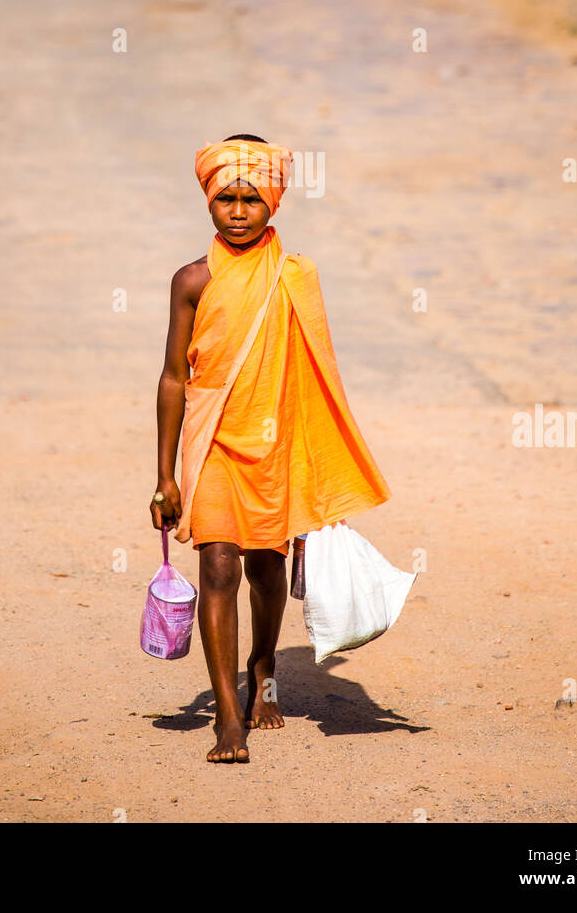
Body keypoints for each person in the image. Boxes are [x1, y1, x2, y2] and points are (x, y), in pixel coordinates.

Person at [150, 135, 390, 763]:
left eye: (250, 198)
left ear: (273, 201)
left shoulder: (295, 277)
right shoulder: (192, 280)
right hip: (214, 448)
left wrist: (316, 460)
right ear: (207, 201)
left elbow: (317, 372)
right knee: (219, 567)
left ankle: (263, 667)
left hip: (276, 444)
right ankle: (228, 717)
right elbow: (174, 376)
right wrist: (164, 476)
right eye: (224, 197)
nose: (236, 210)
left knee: (265, 569)